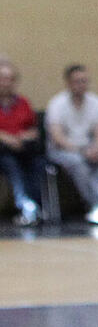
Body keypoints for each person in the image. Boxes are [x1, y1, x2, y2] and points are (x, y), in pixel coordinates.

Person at [43, 64, 98, 225]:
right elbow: (57, 138)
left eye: (84, 81)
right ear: (68, 83)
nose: (81, 85)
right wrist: (82, 151)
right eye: (77, 81)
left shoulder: (97, 103)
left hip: (88, 147)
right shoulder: (57, 104)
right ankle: (95, 204)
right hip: (63, 149)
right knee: (77, 162)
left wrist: (97, 148)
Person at [0, 59, 42, 227]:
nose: (6, 83)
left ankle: (37, 205)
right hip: (2, 151)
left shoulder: (23, 103)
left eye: (9, 78)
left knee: (38, 164)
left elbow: (34, 129)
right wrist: (7, 138)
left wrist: (24, 137)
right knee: (10, 164)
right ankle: (26, 205)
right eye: (2, 78)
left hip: (23, 149)